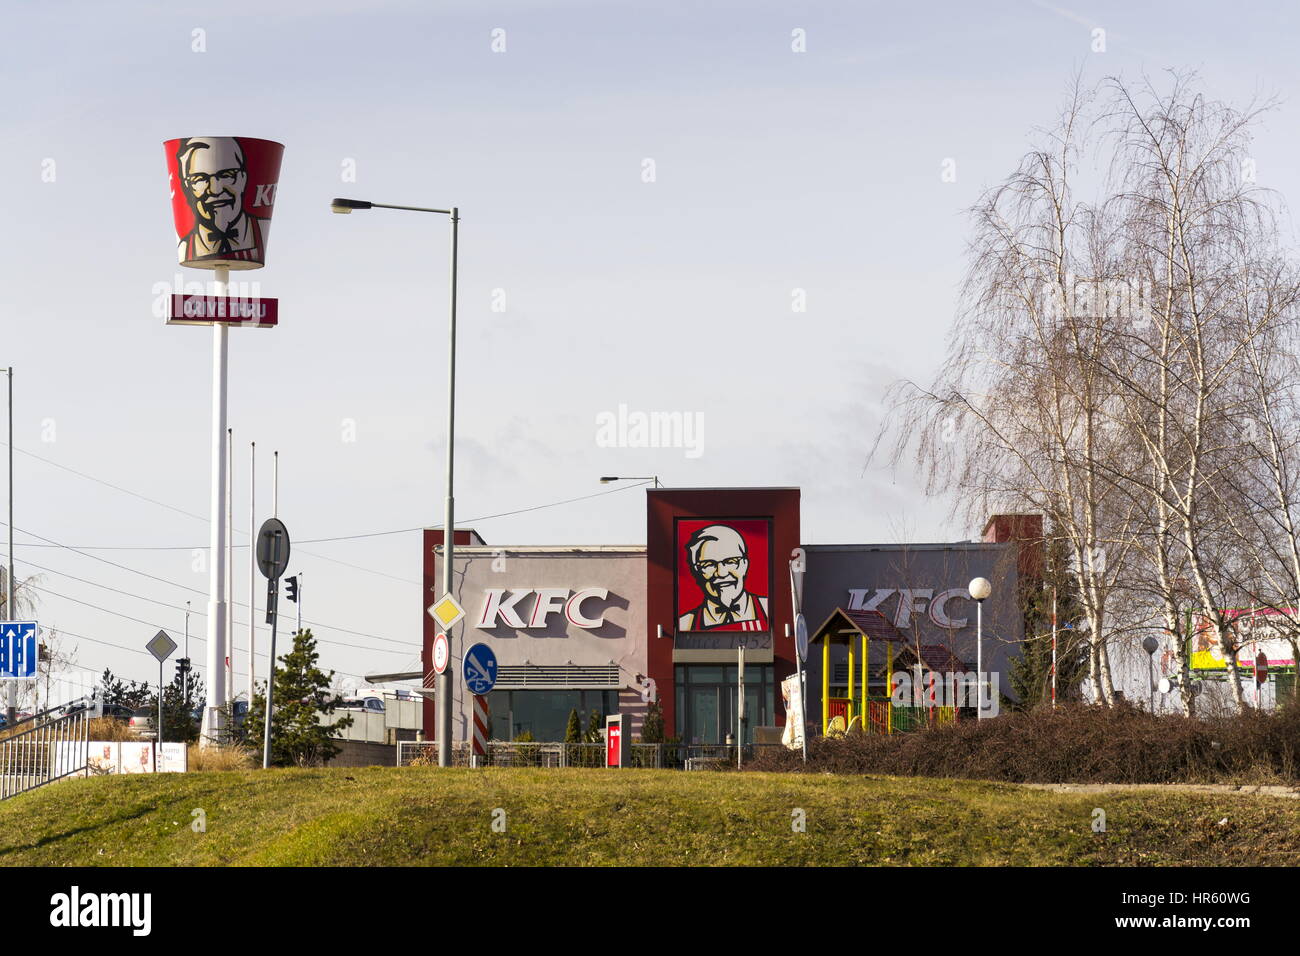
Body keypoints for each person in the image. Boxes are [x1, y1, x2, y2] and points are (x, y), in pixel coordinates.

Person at [174, 137, 264, 265]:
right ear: (187, 187)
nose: (215, 190)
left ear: (243, 179)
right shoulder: (184, 248)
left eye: (226, 175)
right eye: (200, 179)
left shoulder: (261, 230)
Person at [678, 524, 768, 631]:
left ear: (745, 565)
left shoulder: (768, 610)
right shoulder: (685, 624)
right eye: (708, 564)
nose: (721, 573)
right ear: (696, 571)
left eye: (730, 562)